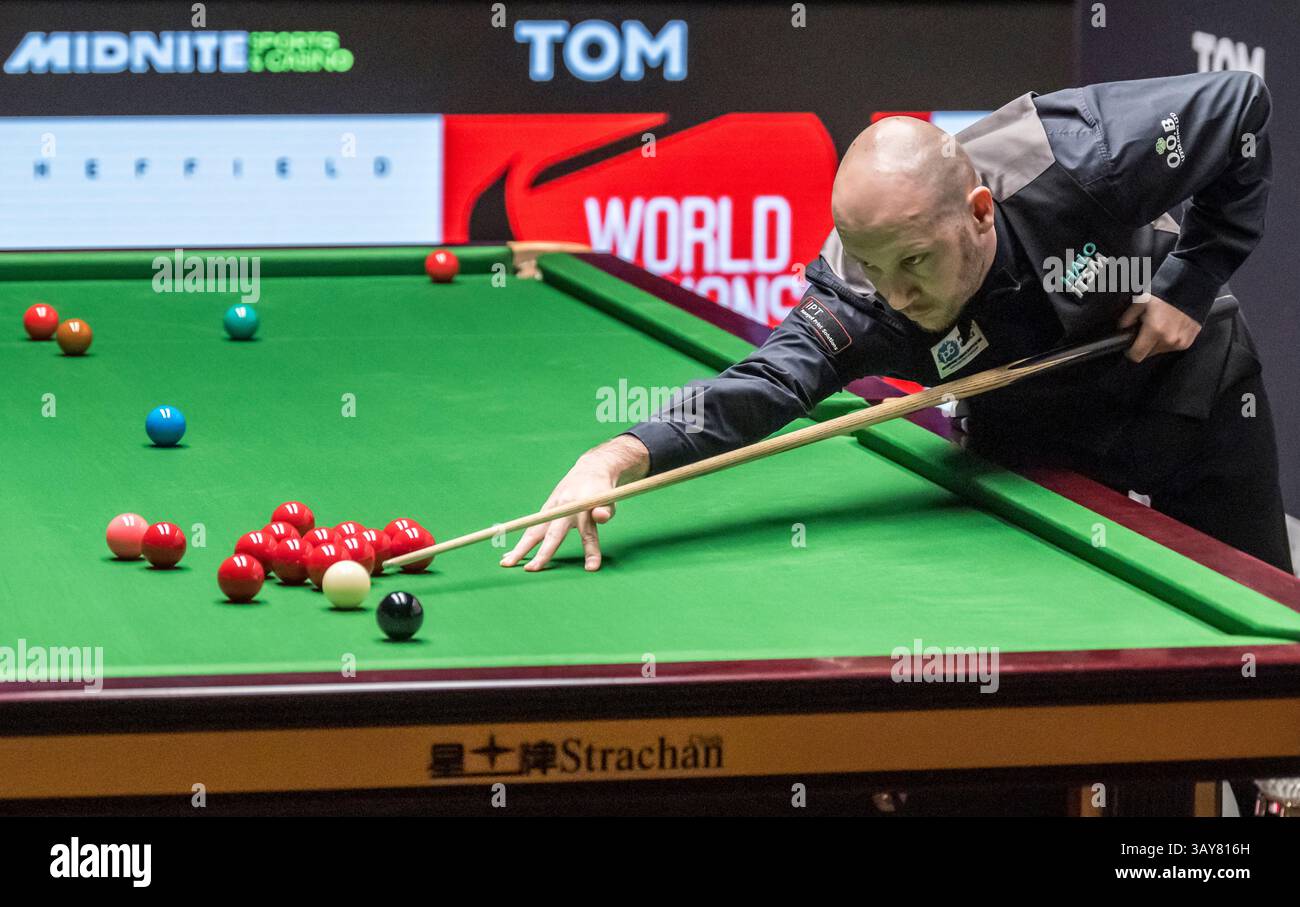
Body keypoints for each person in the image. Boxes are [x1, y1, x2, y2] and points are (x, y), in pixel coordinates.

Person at [500, 71, 1292, 580]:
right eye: (872, 265)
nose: (896, 293)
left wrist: (1193, 278)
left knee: (1269, 650)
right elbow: (762, 385)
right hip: (1035, 436)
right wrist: (618, 453)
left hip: (1187, 380)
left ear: (980, 213)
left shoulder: (1082, 156)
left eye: (913, 261)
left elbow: (1241, 107)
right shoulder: (859, 297)